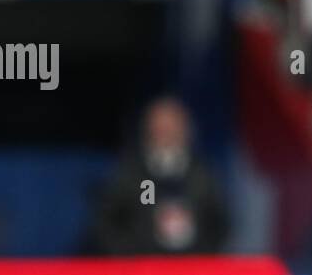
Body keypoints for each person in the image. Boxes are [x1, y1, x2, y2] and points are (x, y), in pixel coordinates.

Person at [91, 97, 229, 255]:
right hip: (141, 269)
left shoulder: (202, 174)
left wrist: (203, 254)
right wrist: (129, 255)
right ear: (148, 130)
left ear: (185, 130)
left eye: (171, 128)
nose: (166, 135)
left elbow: (220, 223)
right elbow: (106, 223)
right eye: (160, 129)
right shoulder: (130, 174)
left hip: (193, 269)